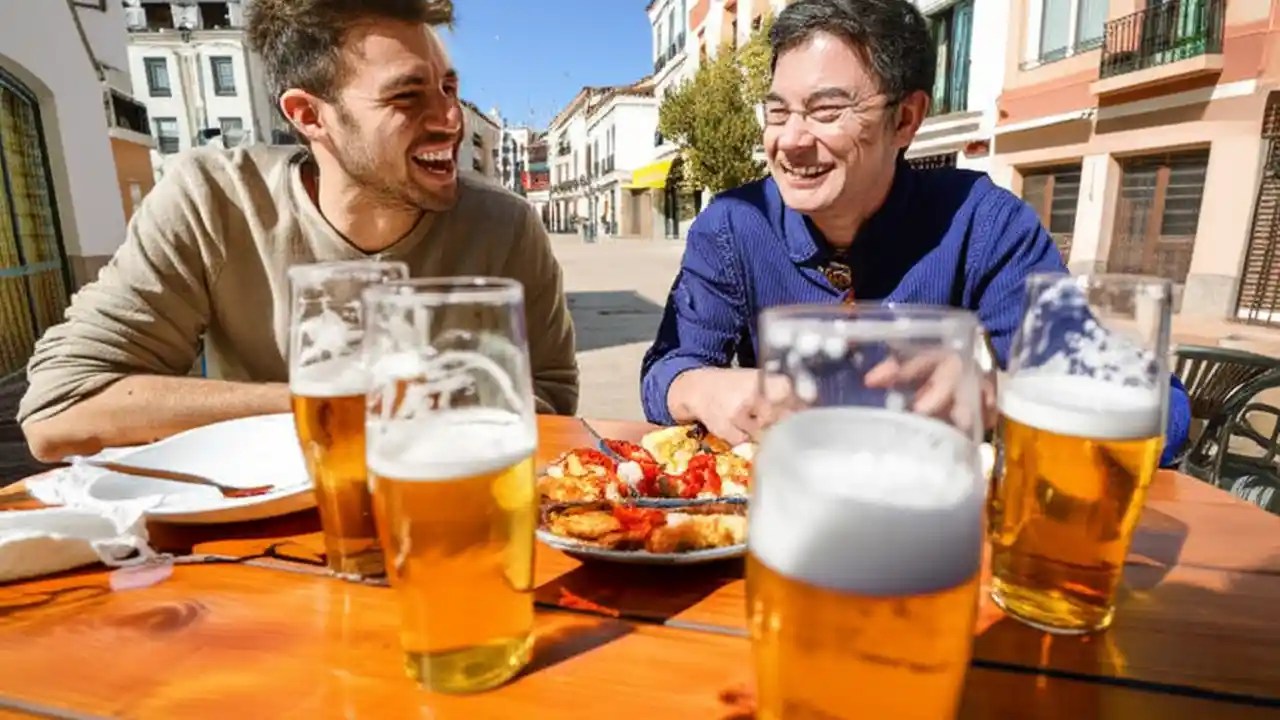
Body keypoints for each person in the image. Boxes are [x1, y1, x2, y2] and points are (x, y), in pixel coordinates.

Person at [18, 0, 578, 462]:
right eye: (407, 95)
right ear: (309, 116)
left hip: (450, 517)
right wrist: (331, 407)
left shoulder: (504, 226)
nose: (450, 118)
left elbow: (550, 400)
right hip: (255, 532)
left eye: (449, 88)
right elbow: (59, 410)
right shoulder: (214, 201)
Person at [640, 0, 1191, 466]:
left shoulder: (984, 224)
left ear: (905, 119)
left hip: (937, 532)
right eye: (777, 112)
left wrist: (996, 397)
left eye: (826, 110)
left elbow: (1160, 411)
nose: (791, 140)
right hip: (783, 521)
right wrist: (710, 388)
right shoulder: (735, 224)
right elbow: (665, 370)